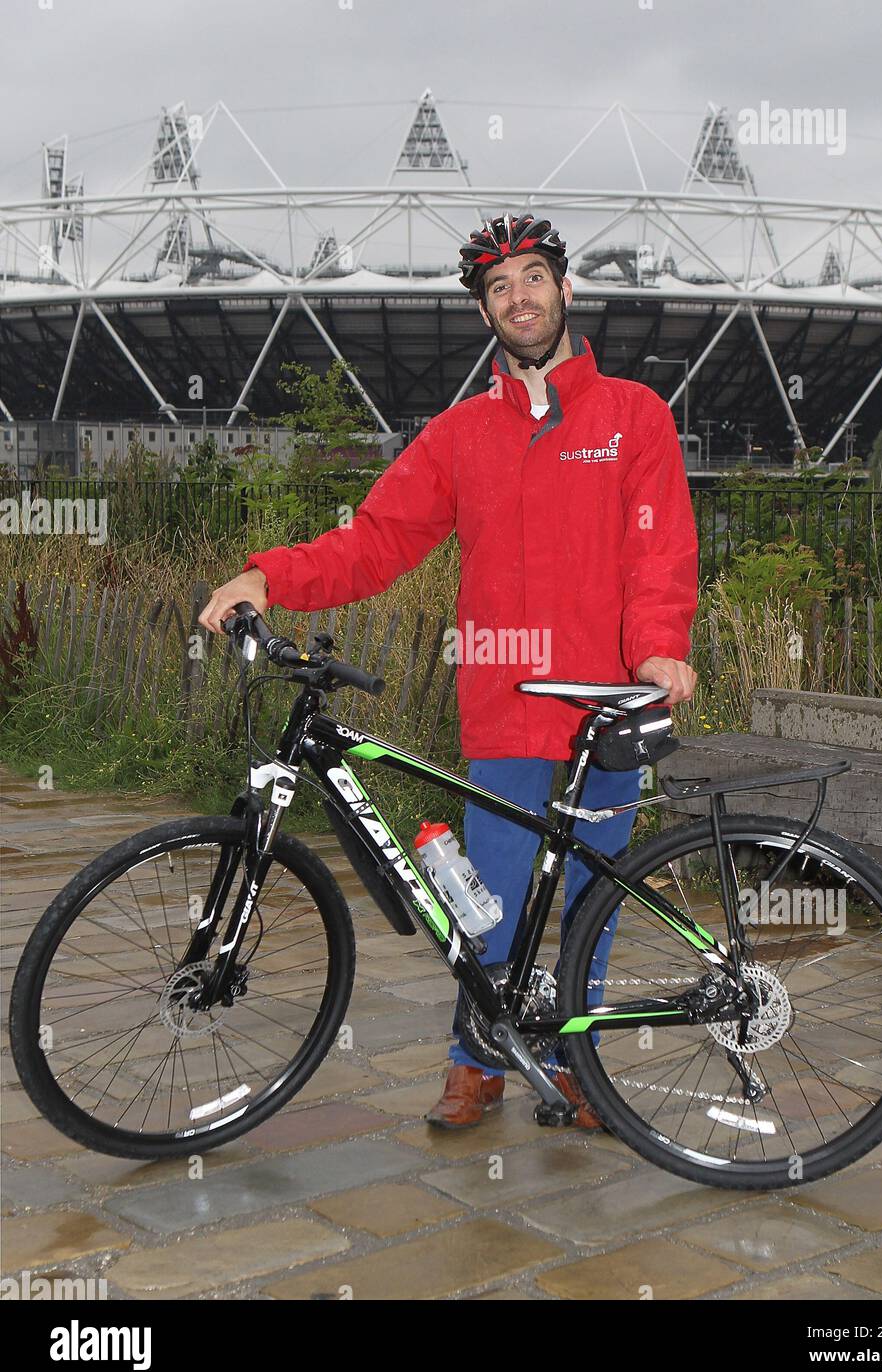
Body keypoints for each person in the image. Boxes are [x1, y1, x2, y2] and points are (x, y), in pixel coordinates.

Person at [198, 211, 699, 1131]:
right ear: (485, 313)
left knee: (595, 897)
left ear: (565, 290)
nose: (520, 297)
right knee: (489, 899)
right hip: (506, 698)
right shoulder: (462, 434)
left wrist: (661, 646)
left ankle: (579, 1061)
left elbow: (658, 549)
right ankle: (480, 1059)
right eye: (499, 287)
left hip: (608, 700)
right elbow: (376, 542)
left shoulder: (634, 415)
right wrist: (270, 575)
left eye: (534, 278)